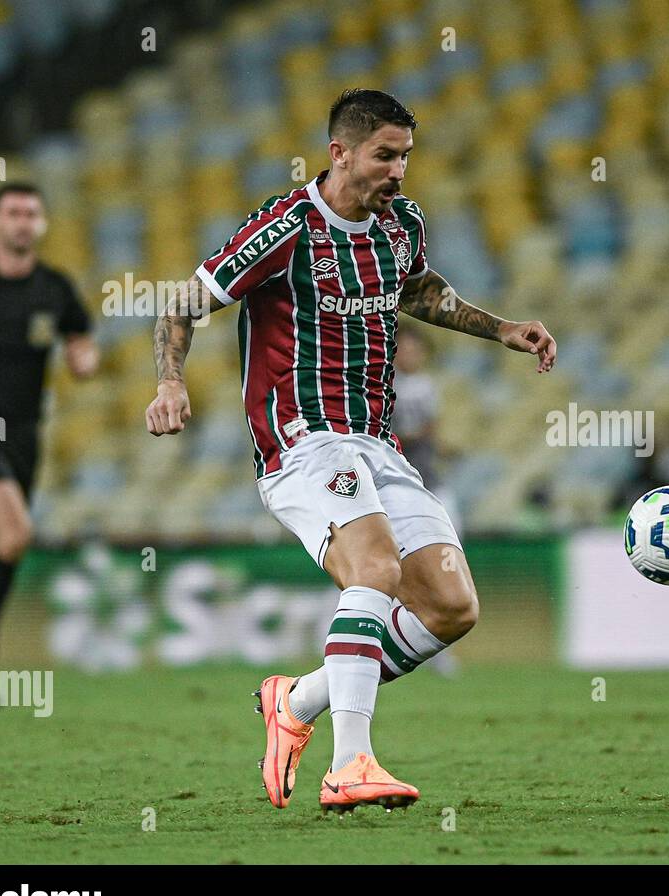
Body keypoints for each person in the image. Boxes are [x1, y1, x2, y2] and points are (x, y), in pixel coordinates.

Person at [144, 89, 556, 812]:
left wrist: (502, 329)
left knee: (451, 607)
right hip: (301, 439)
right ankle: (351, 763)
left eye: (405, 156)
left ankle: (295, 702)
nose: (398, 170)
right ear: (340, 153)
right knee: (374, 568)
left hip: (377, 440)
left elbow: (420, 291)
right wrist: (171, 383)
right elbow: (184, 300)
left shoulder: (402, 222)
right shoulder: (287, 227)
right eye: (384, 155)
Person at [0, 183, 98, 688]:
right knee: (14, 533)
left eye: (30, 213)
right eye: (12, 212)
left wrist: (83, 358)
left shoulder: (53, 287)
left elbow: (79, 337)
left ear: (40, 225)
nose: (21, 222)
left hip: (24, 434)